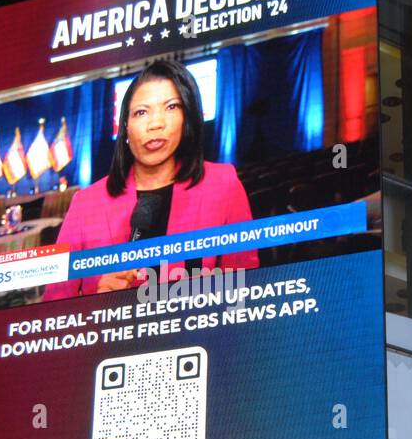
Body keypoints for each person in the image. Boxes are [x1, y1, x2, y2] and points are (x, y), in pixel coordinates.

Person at [43, 59, 258, 300]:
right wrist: (96, 305)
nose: (156, 124)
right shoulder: (86, 203)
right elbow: (54, 307)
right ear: (125, 127)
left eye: (171, 107)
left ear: (187, 117)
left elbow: (245, 291)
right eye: (141, 112)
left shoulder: (222, 184)